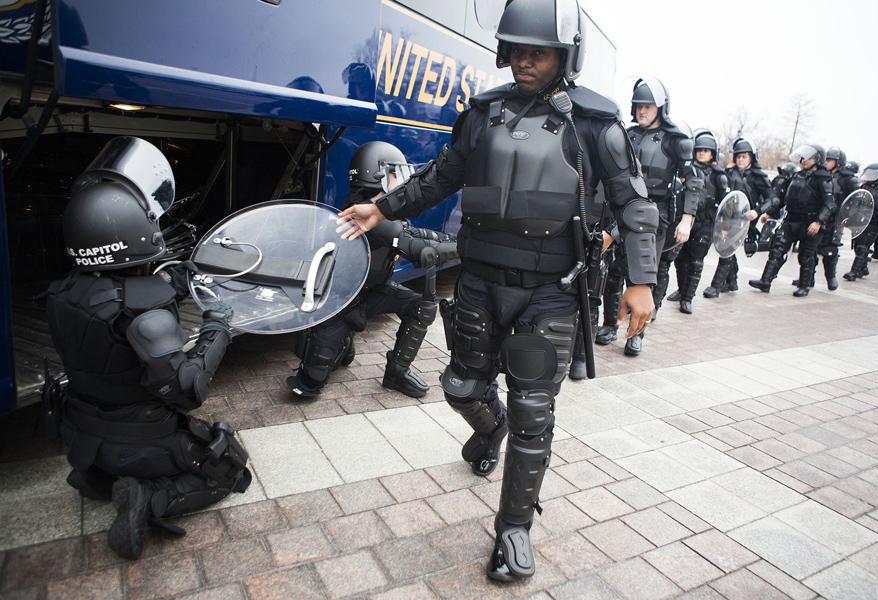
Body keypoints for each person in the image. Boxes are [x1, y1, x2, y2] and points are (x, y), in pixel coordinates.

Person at [337, 0, 657, 581]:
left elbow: (634, 203)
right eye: (517, 50)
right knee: (461, 388)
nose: (524, 61)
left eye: (539, 53)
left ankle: (513, 530)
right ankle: (492, 428)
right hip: (480, 282)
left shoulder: (595, 124)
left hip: (550, 291)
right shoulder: (483, 113)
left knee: (535, 412)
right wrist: (380, 208)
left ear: (565, 56)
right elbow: (439, 177)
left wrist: (641, 280)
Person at [44, 138, 252, 560]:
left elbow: (113, 301)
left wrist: (175, 281)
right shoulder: (147, 315)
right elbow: (187, 390)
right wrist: (217, 328)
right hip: (139, 439)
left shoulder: (62, 292)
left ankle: (98, 478)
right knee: (231, 470)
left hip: (80, 430)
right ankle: (147, 498)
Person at [287, 141, 457, 399]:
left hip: (372, 291)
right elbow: (421, 249)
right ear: (376, 174)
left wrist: (456, 241)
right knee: (310, 384)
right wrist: (468, 247)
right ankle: (338, 345)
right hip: (341, 304)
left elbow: (414, 234)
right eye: (395, 173)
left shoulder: (377, 208)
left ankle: (396, 372)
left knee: (420, 306)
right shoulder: (363, 213)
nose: (402, 180)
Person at [625, 76, 702, 351]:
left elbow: (693, 182)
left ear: (660, 107)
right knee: (614, 271)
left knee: (646, 273)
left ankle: (636, 334)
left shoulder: (675, 141)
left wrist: (687, 219)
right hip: (624, 209)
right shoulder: (627, 134)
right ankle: (610, 325)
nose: (641, 111)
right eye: (638, 105)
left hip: (656, 214)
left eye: (648, 106)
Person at [749, 144, 835, 296]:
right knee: (776, 250)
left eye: (809, 158)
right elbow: (783, 198)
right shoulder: (796, 176)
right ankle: (765, 281)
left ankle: (804, 286)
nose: (804, 160)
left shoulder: (823, 180)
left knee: (805, 256)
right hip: (791, 220)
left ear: (817, 159)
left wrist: (818, 222)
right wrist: (769, 213)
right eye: (803, 158)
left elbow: (830, 205)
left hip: (810, 223)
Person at [668, 129, 729, 313]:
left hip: (706, 223)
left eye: (706, 151)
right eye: (699, 150)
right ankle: (681, 290)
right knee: (680, 258)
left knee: (696, 261)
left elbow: (726, 204)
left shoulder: (719, 176)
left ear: (713, 153)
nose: (702, 153)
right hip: (686, 220)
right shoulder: (687, 170)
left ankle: (687, 299)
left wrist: (725, 227)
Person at [713, 138, 778, 293]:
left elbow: (773, 199)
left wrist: (758, 211)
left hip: (745, 219)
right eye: (738, 156)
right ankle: (731, 281)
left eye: (744, 156)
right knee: (728, 248)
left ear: (751, 158)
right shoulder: (728, 173)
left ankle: (716, 285)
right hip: (726, 218)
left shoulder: (758, 177)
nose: (741, 160)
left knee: (727, 247)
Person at [809, 146, 859, 290]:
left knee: (829, 250)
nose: (826, 162)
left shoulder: (848, 179)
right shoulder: (821, 176)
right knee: (811, 249)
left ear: (838, 162)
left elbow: (856, 200)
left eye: (829, 160)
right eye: (825, 159)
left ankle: (831, 278)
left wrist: (848, 216)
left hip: (835, 220)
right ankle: (808, 278)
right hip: (819, 217)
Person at [844, 163, 878, 281]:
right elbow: (856, 204)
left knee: (863, 247)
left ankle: (854, 272)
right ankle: (863, 269)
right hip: (862, 220)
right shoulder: (864, 187)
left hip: (876, 222)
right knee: (857, 245)